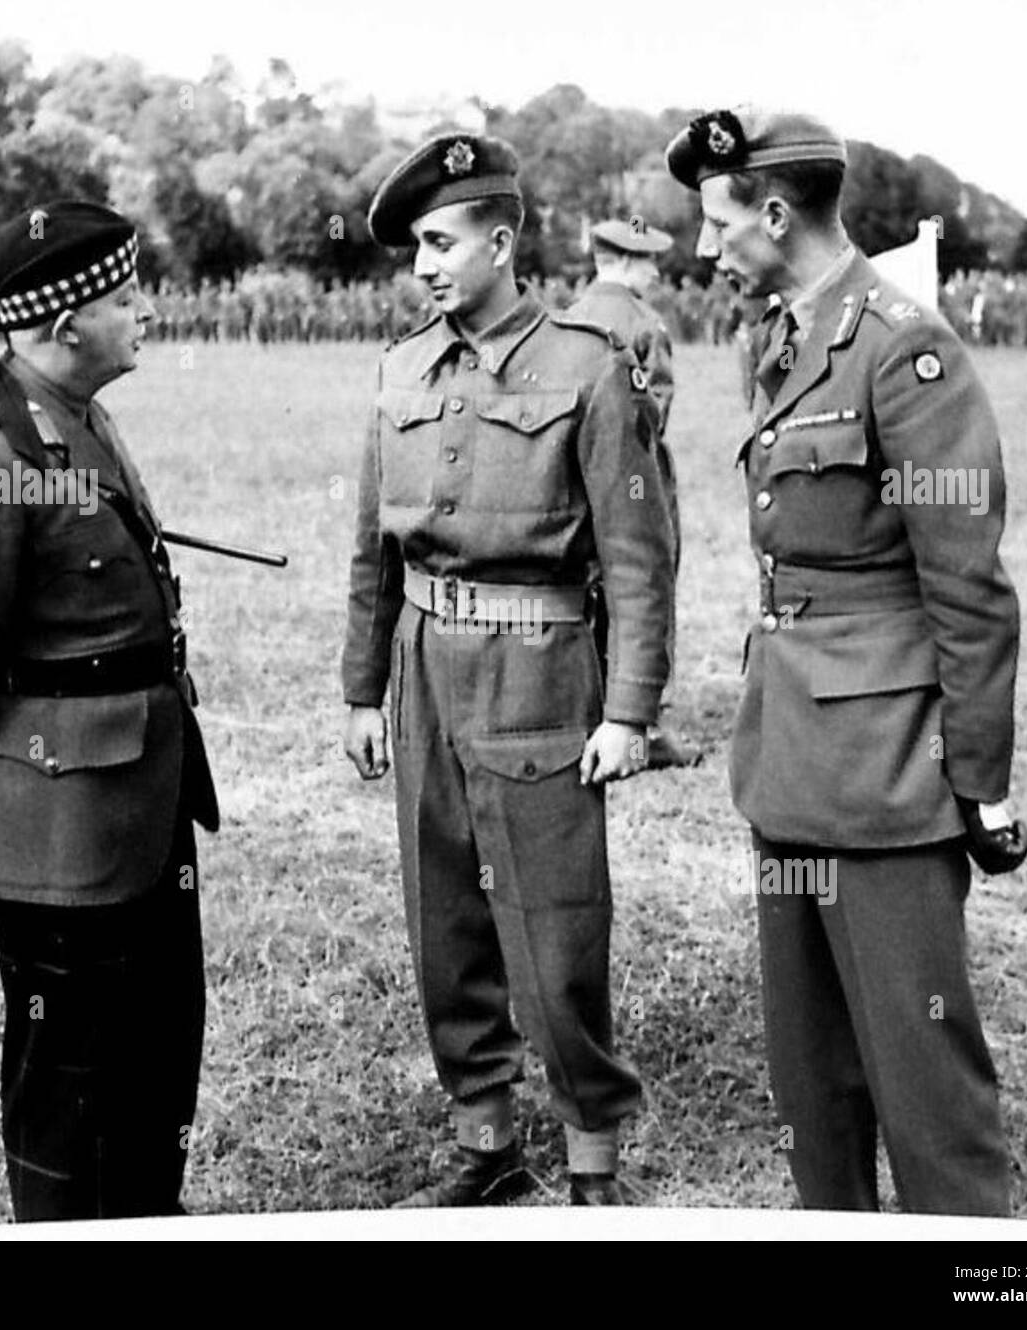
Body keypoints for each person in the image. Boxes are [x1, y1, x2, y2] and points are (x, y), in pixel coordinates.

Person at [665, 107, 1027, 1214]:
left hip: (887, 778)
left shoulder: (902, 348)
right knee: (810, 1092)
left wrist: (979, 783)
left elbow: (964, 582)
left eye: (717, 222)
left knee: (926, 1099)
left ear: (774, 214)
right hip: (789, 763)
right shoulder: (777, 339)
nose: (705, 247)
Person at [341, 134, 675, 1207]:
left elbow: (636, 555)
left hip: (537, 673)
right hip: (423, 670)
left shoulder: (586, 366)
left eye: (441, 242)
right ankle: (485, 1143)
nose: (424, 266)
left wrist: (627, 711)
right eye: (414, 249)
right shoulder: (398, 369)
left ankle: (589, 1161)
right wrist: (360, 688)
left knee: (555, 919)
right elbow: (372, 548)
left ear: (499, 237)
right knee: (444, 915)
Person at [0, 199, 219, 1221]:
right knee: (68, 1081)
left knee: (155, 1054)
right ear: (66, 323)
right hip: (60, 831)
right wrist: (14, 789)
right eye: (127, 298)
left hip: (141, 801)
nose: (147, 313)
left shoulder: (76, 416)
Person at [567, 218, 699, 769]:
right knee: (646, 586)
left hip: (573, 479)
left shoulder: (568, 320)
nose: (655, 273)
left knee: (586, 590)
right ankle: (644, 723)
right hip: (636, 478)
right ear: (623, 261)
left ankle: (589, 707)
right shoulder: (644, 322)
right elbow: (653, 414)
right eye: (648, 262)